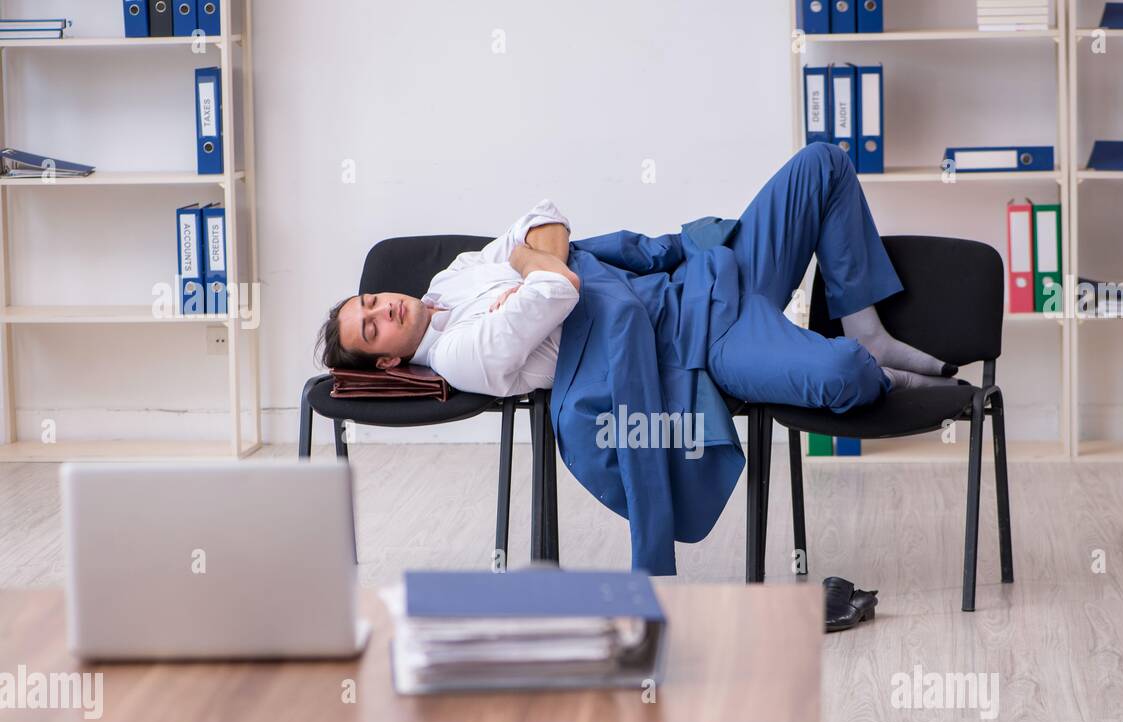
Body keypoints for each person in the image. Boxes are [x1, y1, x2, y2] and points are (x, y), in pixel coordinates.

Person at [317, 143, 960, 575]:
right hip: (700, 345)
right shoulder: (461, 356)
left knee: (823, 162)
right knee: (840, 375)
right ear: (383, 363)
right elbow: (558, 285)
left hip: (711, 273)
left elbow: (544, 217)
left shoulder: (454, 277)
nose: (384, 311)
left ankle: (865, 325)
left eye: (371, 302)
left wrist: (524, 256)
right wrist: (534, 263)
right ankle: (862, 361)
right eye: (371, 329)